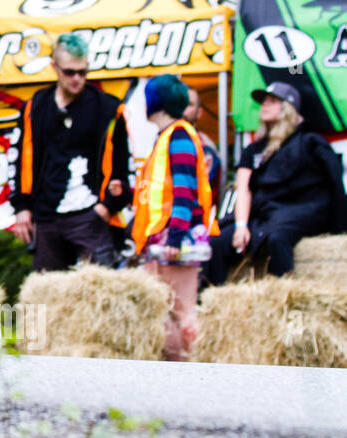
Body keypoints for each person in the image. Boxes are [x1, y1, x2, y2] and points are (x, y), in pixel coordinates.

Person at [9, 34, 131, 271]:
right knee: (47, 287)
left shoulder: (108, 108)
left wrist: (107, 207)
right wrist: (22, 207)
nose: (77, 78)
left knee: (101, 286)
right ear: (54, 67)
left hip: (90, 214)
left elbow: (123, 163)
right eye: (69, 72)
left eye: (82, 72)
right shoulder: (35, 107)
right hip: (46, 214)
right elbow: (18, 159)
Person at [205, 82, 347, 285]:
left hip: (298, 211)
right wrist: (241, 225)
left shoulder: (310, 142)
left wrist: (339, 226)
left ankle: (282, 295)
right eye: (263, 101)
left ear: (288, 107)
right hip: (261, 215)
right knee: (217, 242)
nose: (265, 105)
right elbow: (243, 188)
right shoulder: (254, 150)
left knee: (277, 238)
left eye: (272, 101)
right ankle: (211, 296)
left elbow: (334, 182)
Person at [130, 75, 215, 361]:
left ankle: (199, 370)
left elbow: (184, 189)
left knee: (183, 312)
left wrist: (176, 237)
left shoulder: (179, 136)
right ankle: (176, 369)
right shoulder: (167, 137)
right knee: (161, 312)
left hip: (176, 239)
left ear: (157, 101)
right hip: (163, 239)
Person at [184, 87, 223, 206]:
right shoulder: (163, 139)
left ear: (199, 112)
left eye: (189, 104)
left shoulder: (205, 147)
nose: (183, 108)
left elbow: (201, 190)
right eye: (181, 103)